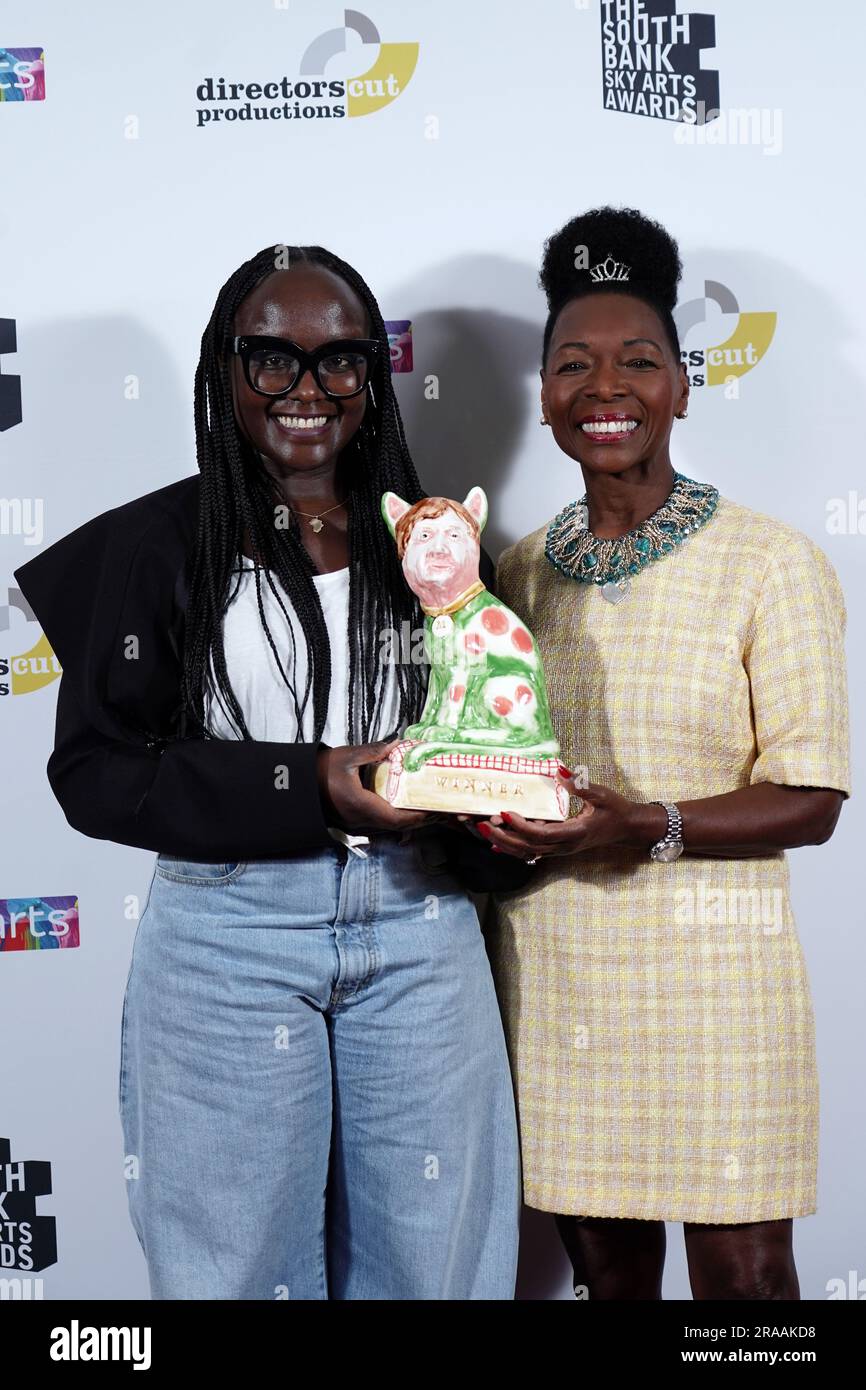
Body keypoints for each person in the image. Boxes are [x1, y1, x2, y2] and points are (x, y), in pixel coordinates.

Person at [14, 244, 523, 1300]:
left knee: (439, 1271)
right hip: (225, 939)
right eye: (271, 360)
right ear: (223, 370)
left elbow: (481, 727)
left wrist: (494, 812)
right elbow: (97, 773)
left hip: (419, 924)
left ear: (371, 377)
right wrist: (309, 782)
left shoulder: (428, 539)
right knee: (232, 1277)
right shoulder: (157, 543)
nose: (307, 390)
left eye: (340, 360)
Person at [478, 207, 851, 1300]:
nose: (606, 387)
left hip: (722, 978)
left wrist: (643, 823)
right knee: (606, 1273)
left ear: (682, 386)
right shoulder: (511, 574)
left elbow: (812, 794)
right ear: (542, 395)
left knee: (744, 1275)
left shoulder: (769, 562)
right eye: (573, 364)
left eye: (637, 360)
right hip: (561, 972)